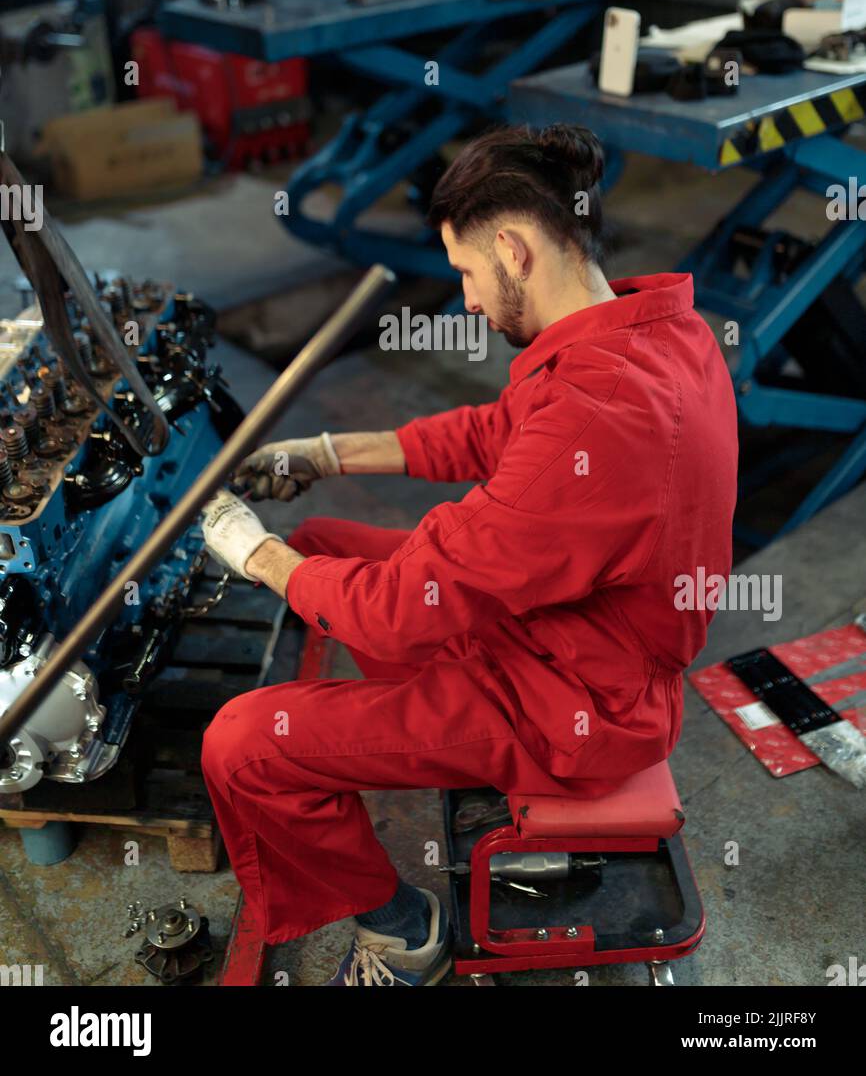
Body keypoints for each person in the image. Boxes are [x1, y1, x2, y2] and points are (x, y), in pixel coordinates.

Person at [200, 123, 738, 987]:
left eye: (466, 273)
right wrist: (331, 451)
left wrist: (249, 551)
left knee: (243, 746)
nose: (468, 303)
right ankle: (371, 735)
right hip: (569, 636)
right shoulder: (656, 331)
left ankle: (406, 930)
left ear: (515, 250)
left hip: (570, 703)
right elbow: (496, 431)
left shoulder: (600, 412)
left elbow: (401, 607)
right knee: (325, 545)